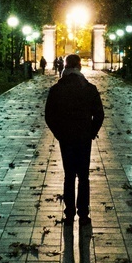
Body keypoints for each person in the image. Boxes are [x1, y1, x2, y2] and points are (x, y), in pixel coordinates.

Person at [45, 54, 105, 227]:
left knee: (69, 175)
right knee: (84, 176)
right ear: (79, 66)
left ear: (65, 66)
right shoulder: (89, 88)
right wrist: (91, 132)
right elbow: (99, 115)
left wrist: (59, 133)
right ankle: (84, 214)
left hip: (66, 138)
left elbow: (49, 115)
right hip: (84, 138)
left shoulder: (57, 89)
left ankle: (69, 214)